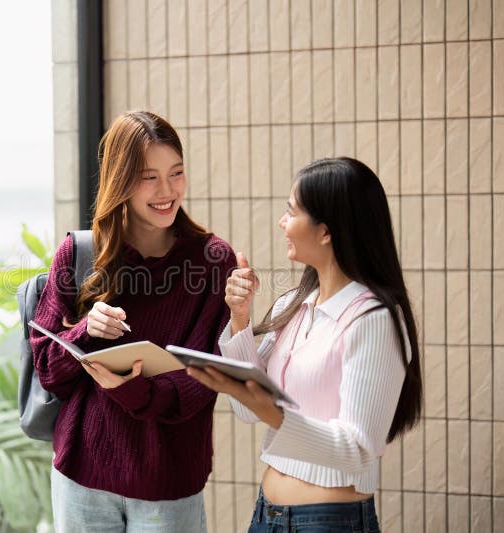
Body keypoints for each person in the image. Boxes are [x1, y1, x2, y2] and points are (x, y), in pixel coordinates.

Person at [187, 157, 423, 533]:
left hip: (330, 522)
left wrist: (275, 414)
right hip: (267, 516)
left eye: (292, 212)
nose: (282, 222)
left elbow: (357, 451)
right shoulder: (293, 305)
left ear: (325, 232)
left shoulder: (373, 319)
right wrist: (240, 317)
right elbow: (247, 411)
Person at [30, 110, 237, 532]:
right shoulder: (79, 254)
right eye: (149, 177)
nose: (167, 191)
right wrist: (85, 331)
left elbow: (204, 377)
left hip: (168, 482)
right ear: (120, 180)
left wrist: (131, 390)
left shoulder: (212, 260)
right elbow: (47, 369)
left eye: (176, 173)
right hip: (81, 476)